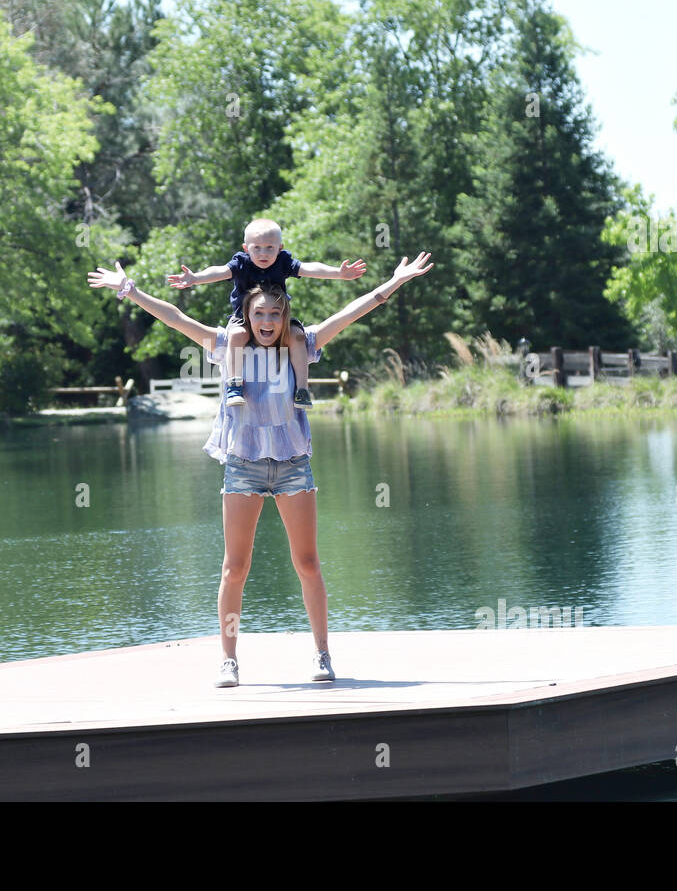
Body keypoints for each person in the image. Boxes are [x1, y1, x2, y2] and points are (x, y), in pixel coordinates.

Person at [88, 252, 435, 687]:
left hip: (292, 466)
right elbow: (174, 317)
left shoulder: (301, 344)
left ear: (283, 315)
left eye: (274, 313)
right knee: (235, 568)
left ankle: (322, 654)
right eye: (258, 314)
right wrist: (130, 290)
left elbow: (353, 310)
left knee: (307, 563)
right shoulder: (225, 345)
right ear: (246, 317)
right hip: (244, 467)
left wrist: (395, 281)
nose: (267, 321)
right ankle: (229, 660)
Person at [166, 218, 366, 410]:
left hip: (276, 318)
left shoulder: (283, 262)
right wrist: (195, 278)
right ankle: (234, 385)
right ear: (246, 248)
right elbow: (219, 271)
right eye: (257, 248)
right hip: (243, 319)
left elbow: (309, 268)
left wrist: (337, 273)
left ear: (279, 247)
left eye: (270, 247)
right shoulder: (241, 263)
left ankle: (302, 390)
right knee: (236, 336)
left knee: (298, 336)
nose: (264, 253)